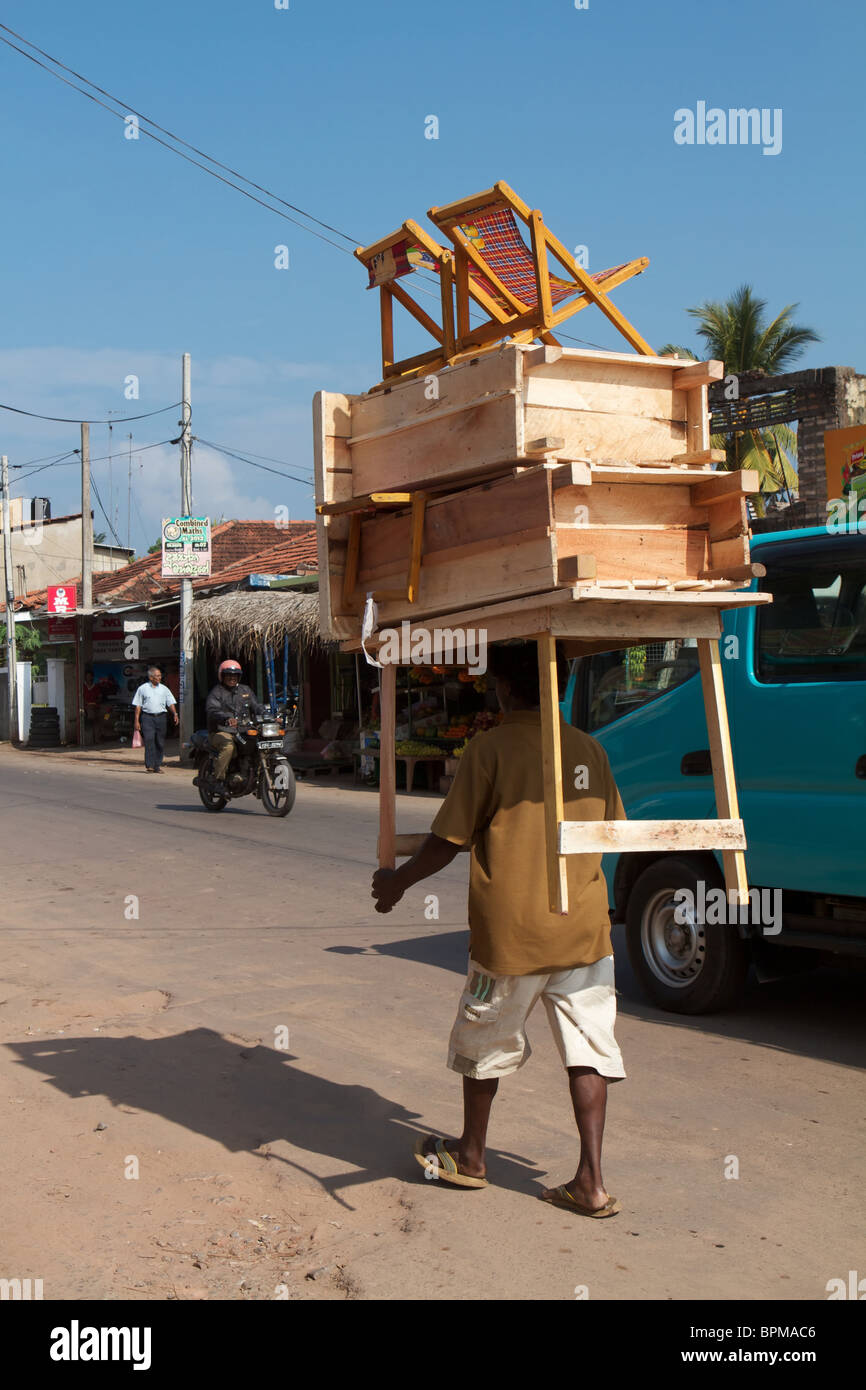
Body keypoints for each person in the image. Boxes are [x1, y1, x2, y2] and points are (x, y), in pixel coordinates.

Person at [371, 641, 628, 1218]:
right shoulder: (592, 750)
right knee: (589, 1051)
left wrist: (398, 882)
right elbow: (612, 831)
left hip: (512, 937)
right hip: (584, 933)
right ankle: (591, 1181)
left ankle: (471, 1156)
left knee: (481, 1045)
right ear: (558, 687)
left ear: (504, 688)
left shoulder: (488, 749)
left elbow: (446, 841)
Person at [205, 659, 267, 797]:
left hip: (243, 730)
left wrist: (266, 714)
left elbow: (256, 705)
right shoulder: (217, 692)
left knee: (259, 744)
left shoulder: (245, 690)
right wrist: (226, 718)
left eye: (235, 675)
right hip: (221, 731)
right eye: (228, 675)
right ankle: (218, 781)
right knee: (229, 747)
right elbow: (212, 709)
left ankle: (255, 778)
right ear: (222, 676)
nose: (232, 678)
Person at [131, 665, 178, 772]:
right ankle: (150, 765)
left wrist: (175, 713)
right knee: (149, 740)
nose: (159, 677)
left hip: (161, 718)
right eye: (157, 676)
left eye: (160, 675)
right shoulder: (142, 689)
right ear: (151, 678)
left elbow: (170, 702)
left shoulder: (164, 689)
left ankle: (157, 765)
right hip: (147, 718)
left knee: (160, 742)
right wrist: (136, 721)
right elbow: (138, 706)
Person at [82, 669, 102, 745]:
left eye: (90, 676)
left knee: (99, 721)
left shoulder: (96, 686)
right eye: (87, 676)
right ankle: (89, 740)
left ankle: (97, 739)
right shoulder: (83, 686)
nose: (89, 678)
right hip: (86, 707)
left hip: (95, 706)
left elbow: (99, 697)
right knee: (90, 721)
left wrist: (97, 702)